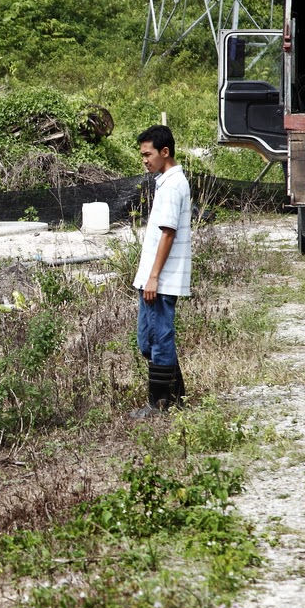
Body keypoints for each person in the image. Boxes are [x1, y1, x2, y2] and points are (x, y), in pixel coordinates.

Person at [133, 125, 192, 415]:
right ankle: (176, 394)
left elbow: (168, 233)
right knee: (148, 341)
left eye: (148, 154)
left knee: (157, 339)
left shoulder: (172, 185)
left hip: (162, 279)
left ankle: (159, 403)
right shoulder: (165, 182)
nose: (144, 160)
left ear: (164, 152)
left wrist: (154, 277)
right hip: (153, 277)